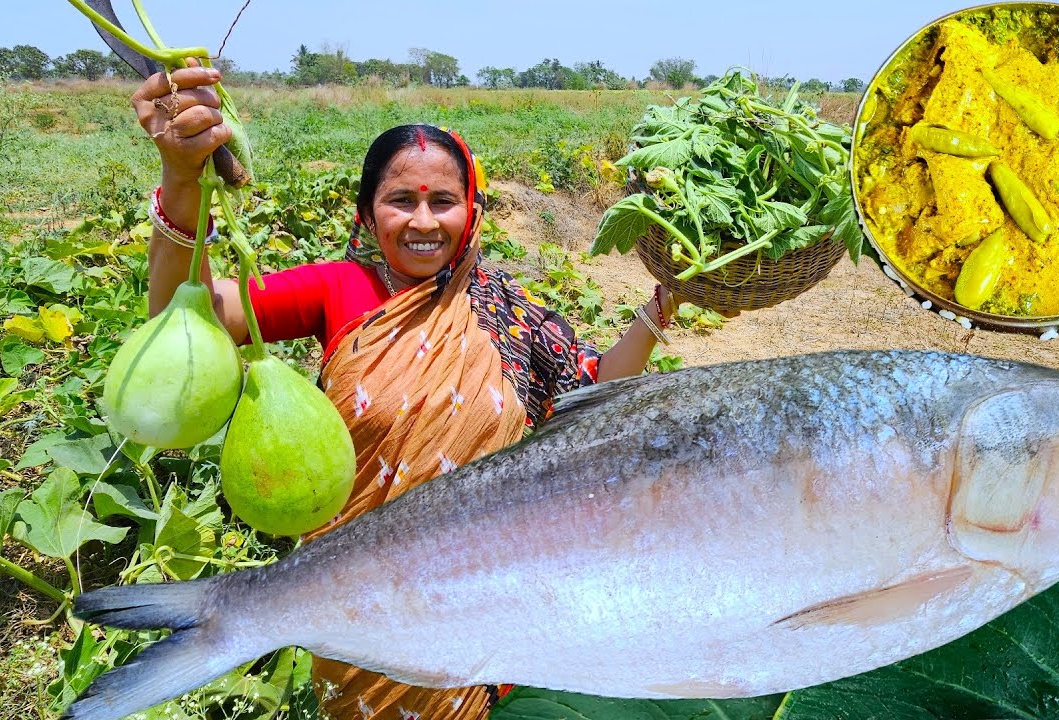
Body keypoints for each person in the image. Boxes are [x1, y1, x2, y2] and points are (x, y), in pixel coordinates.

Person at [133, 63, 680, 720]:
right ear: (368, 212)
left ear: (469, 211)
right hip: (360, 611)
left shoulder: (502, 307)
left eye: (443, 201)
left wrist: (660, 308)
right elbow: (183, 315)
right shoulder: (336, 289)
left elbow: (590, 392)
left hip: (491, 604)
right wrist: (182, 180)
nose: (424, 220)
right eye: (402, 200)